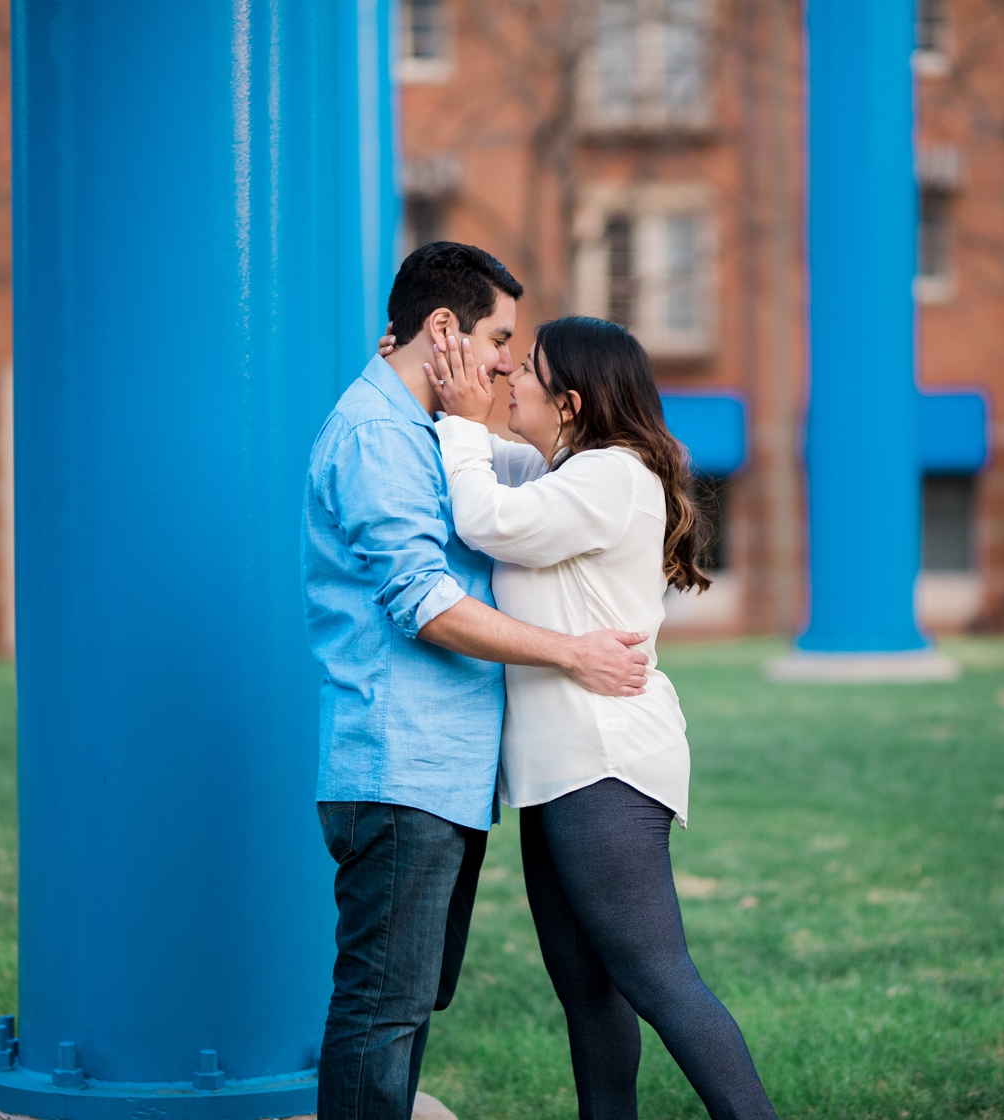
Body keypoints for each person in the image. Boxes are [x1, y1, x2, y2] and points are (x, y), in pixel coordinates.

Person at [302, 244, 653, 1120]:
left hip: (441, 774)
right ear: (445, 328)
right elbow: (424, 603)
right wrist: (572, 652)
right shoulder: (379, 436)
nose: (505, 362)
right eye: (501, 339)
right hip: (397, 770)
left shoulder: (422, 429)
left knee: (408, 1003)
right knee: (381, 1011)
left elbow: (534, 482)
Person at [425, 315, 780, 1120]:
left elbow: (488, 518)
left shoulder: (612, 476)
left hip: (605, 763)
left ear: (572, 402)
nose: (514, 378)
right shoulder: (570, 470)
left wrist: (456, 418)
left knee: (658, 976)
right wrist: (443, 387)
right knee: (587, 991)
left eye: (531, 372)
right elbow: (486, 462)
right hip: (560, 775)